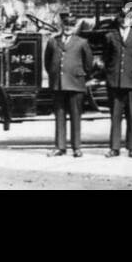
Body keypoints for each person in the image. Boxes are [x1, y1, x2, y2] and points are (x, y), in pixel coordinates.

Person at [103, 1, 132, 158]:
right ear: (118, 18)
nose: (124, 20)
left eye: (128, 17)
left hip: (131, 81)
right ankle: (114, 147)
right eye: (122, 17)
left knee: (131, 115)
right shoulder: (110, 37)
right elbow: (107, 58)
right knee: (115, 116)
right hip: (115, 81)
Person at [44, 10, 93, 157]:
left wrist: (80, 75)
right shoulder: (53, 41)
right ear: (62, 24)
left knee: (76, 115)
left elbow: (88, 63)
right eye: (66, 24)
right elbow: (48, 62)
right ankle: (60, 147)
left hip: (75, 83)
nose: (68, 27)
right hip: (58, 84)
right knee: (59, 115)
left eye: (71, 25)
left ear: (75, 26)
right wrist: (54, 75)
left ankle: (76, 147)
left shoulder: (81, 42)